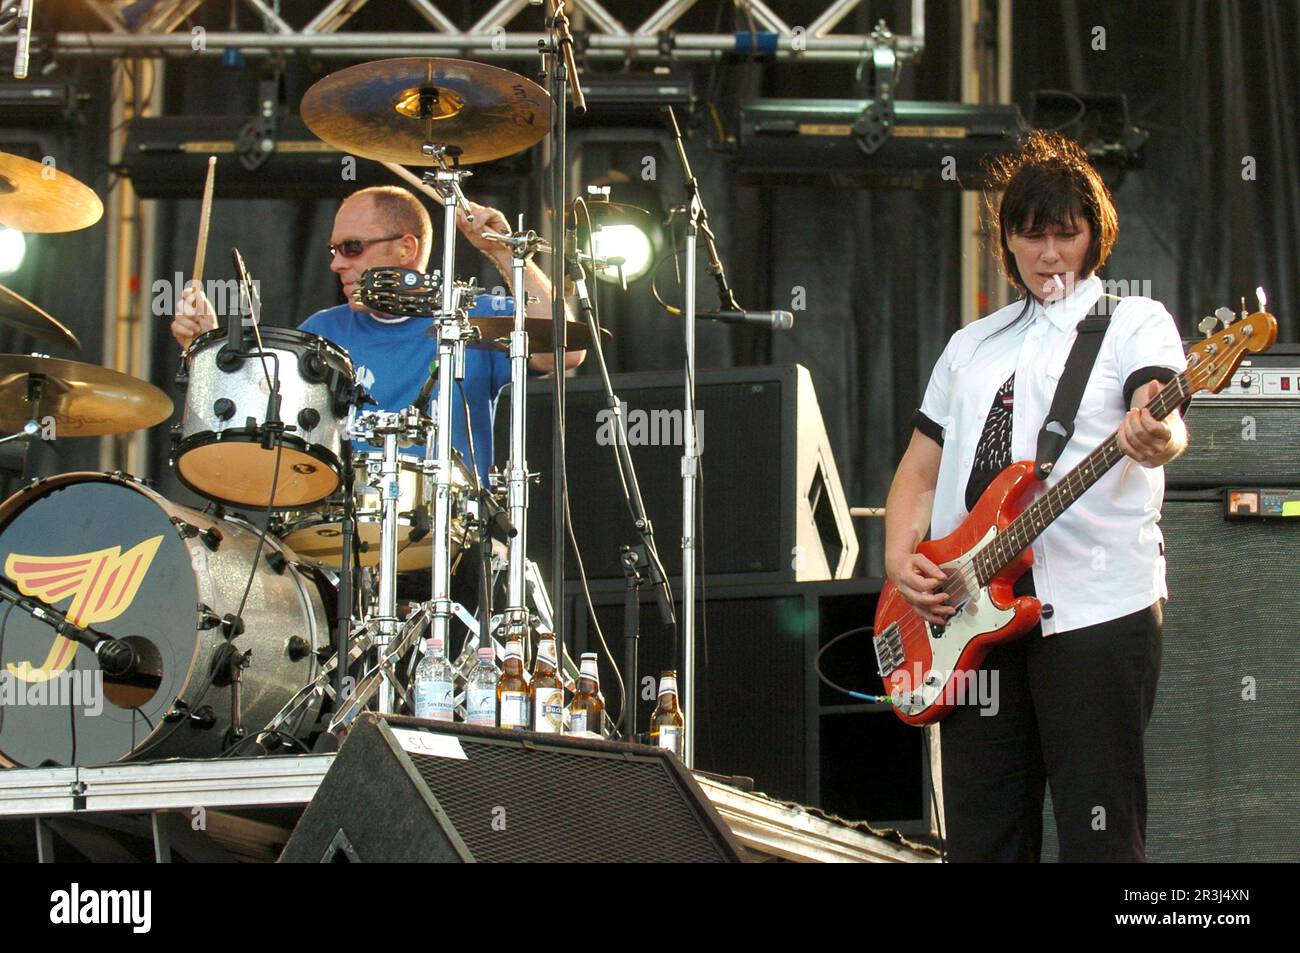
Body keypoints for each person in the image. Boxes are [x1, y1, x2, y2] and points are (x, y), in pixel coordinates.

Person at [883, 132, 1188, 862]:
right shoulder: (969, 345)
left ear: (1094, 237)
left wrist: (1158, 433)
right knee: (984, 837)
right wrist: (900, 560)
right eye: (1032, 234)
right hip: (966, 612)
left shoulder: (1131, 322)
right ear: (1008, 239)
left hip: (1094, 608)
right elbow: (918, 472)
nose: (1050, 254)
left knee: (1100, 836)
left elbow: (1162, 410)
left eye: (1066, 234)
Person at [171, 185, 584, 483]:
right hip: (340, 538)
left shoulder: (470, 314)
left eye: (351, 248)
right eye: (333, 250)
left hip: (454, 537)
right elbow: (260, 423)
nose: (336, 265)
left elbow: (565, 352)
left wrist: (501, 249)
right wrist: (211, 350)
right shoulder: (321, 331)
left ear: (405, 249)